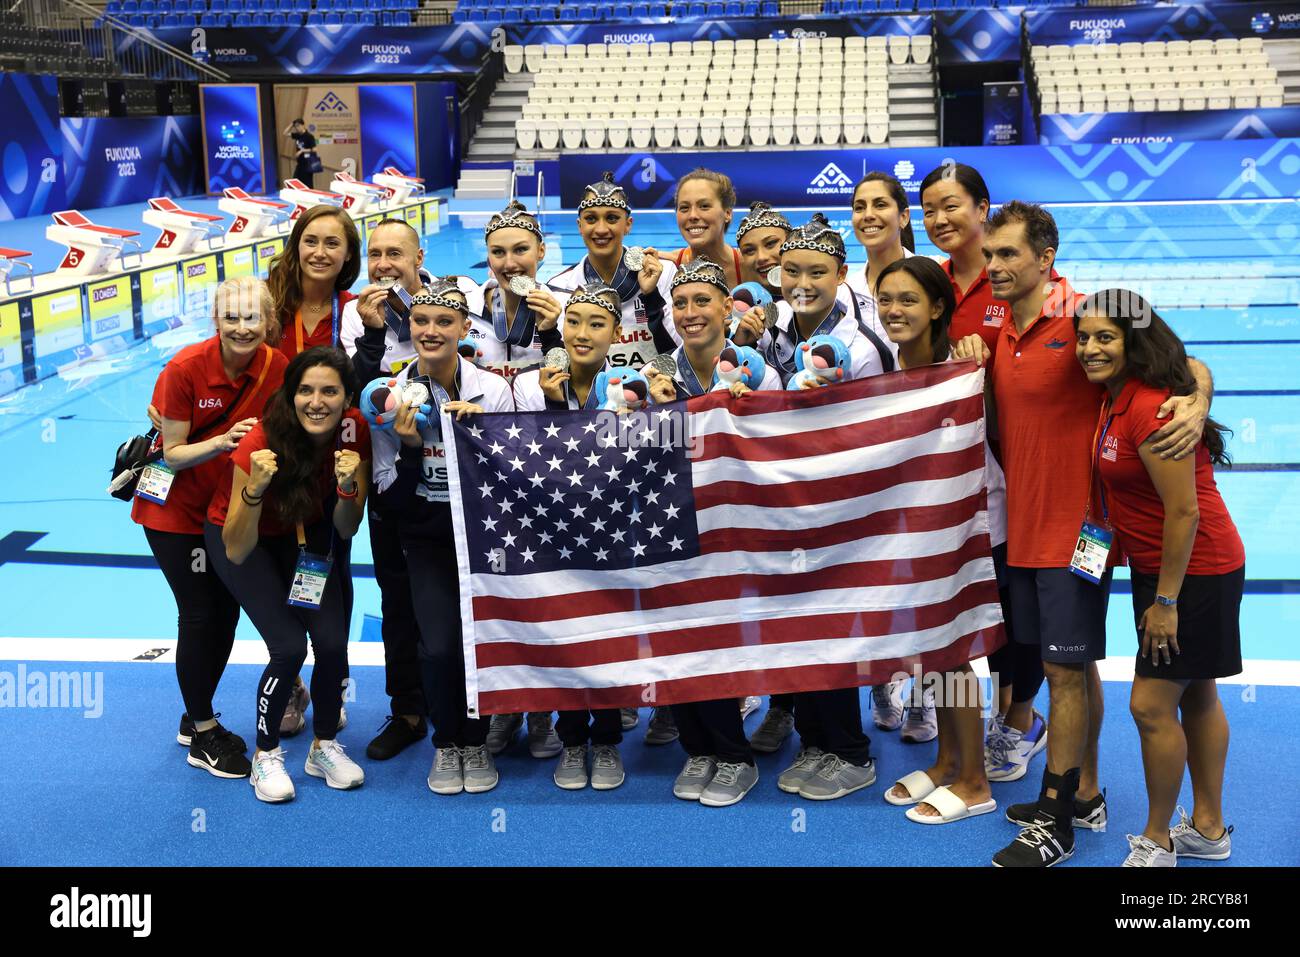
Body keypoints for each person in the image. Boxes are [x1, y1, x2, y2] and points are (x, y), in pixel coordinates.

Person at [954, 201, 1214, 867]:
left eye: (1010, 254)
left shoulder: (1082, 317)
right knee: (1071, 666)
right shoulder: (1001, 329)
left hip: (1079, 531)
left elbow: (1177, 361)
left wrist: (1200, 396)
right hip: (1025, 526)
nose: (997, 267)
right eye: (991, 255)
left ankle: (1056, 817)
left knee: (1062, 671)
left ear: (1046, 256)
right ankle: (1088, 793)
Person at [1073, 290, 1242, 867]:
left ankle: (1157, 839)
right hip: (1163, 567)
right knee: (1196, 689)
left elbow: (1185, 511)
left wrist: (1166, 600)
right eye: (1084, 337)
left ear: (1132, 341)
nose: (1089, 348)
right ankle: (1209, 829)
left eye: (1105, 337)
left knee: (1148, 705)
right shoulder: (1115, 397)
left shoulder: (1150, 406)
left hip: (1194, 570)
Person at [918, 161, 1048, 782]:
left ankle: (1020, 719)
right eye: (930, 209)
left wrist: (1196, 391)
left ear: (981, 207)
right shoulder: (928, 284)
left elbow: (1149, 347)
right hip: (954, 485)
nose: (940, 220)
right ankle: (963, 747)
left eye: (952, 206)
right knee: (958, 628)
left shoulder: (1041, 291)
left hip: (1023, 485)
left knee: (1018, 619)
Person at [133, 277, 287, 779]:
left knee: (225, 614)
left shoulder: (276, 366)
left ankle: (193, 712)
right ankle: (202, 732)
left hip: (226, 510)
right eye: (232, 317)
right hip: (175, 511)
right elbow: (172, 454)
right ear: (216, 321)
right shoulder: (184, 369)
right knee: (201, 613)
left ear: (268, 322)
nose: (243, 327)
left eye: (253, 317)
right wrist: (223, 441)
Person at [370, 279, 516, 796]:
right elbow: (386, 496)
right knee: (436, 648)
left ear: (464, 328)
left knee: (482, 642)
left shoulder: (493, 390)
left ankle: (477, 741)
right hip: (427, 536)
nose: (431, 331)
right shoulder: (388, 396)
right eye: (421, 321)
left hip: (483, 535)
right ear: (409, 327)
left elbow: (516, 478)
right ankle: (448, 742)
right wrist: (409, 448)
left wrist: (485, 437)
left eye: (444, 322)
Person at [205, 347, 370, 802]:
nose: (317, 402)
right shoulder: (260, 441)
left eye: (329, 392)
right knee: (289, 646)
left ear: (347, 397)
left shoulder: (355, 432)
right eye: (306, 391)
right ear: (290, 394)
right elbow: (236, 549)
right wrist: (255, 490)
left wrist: (349, 486)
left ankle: (324, 748)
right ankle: (266, 755)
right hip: (246, 535)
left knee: (333, 642)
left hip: (306, 537)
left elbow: (347, 526)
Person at [642, 259, 777, 807]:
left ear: (728, 308)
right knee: (679, 637)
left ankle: (735, 756)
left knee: (718, 641)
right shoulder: (654, 374)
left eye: (703, 302)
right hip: (674, 524)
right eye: (681, 304)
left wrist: (752, 414)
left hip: (738, 526)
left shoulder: (759, 371)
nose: (691, 313)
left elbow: (785, 439)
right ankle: (698, 748)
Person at [874, 256, 1003, 824]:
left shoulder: (965, 363)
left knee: (956, 650)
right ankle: (948, 760)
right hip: (914, 521)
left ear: (937, 309)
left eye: (907, 300)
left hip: (971, 516)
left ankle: (975, 780)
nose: (894, 311)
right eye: (885, 300)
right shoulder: (882, 367)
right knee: (932, 646)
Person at [513, 281, 631, 790]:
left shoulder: (631, 388)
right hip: (552, 535)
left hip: (612, 535)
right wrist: (551, 403)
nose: (583, 334)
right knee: (563, 636)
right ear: (561, 328)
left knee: (606, 641)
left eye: (597, 324)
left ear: (617, 333)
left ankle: (605, 741)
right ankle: (572, 738)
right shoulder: (528, 386)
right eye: (575, 322)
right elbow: (519, 457)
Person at [266, 203, 361, 734]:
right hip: (275, 463)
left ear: (348, 256)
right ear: (297, 245)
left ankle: (332, 681)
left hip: (329, 470)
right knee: (278, 574)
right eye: (311, 240)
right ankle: (293, 682)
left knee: (331, 573)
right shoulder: (269, 305)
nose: (320, 252)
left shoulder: (352, 311)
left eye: (333, 243)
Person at [339, 217, 431, 760]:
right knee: (397, 597)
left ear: (419, 257)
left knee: (456, 590)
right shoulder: (360, 314)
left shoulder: (458, 300)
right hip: (389, 481)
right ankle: (408, 710)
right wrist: (374, 334)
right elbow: (355, 391)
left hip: (455, 481)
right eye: (375, 253)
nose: (383, 263)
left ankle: (468, 701)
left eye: (395, 252)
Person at [548, 172, 675, 371]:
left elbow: (679, 348)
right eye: (591, 219)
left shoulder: (663, 273)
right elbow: (563, 363)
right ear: (579, 226)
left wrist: (652, 296)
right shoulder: (560, 287)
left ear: (628, 225)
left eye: (612, 218)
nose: (600, 229)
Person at [468, 200, 566, 385]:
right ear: (488, 258)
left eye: (521, 249)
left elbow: (574, 385)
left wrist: (550, 334)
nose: (510, 263)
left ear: (541, 251)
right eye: (498, 252)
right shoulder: (464, 312)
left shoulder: (568, 309)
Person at [666, 168, 744, 290]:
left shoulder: (748, 266)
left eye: (704, 206)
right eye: (684, 208)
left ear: (727, 213)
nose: (693, 216)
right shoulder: (668, 267)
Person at [844, 171, 915, 303]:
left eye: (880, 205)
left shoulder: (933, 274)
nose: (868, 215)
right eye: (859, 207)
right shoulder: (846, 291)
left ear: (903, 217)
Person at [735, 200, 792, 301]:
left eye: (770, 244)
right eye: (749, 250)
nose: (761, 257)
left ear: (791, 242)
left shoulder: (823, 298)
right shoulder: (739, 309)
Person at [283, 118, 319, 189]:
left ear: (303, 125)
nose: (297, 128)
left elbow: (314, 149)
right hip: (300, 163)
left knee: (308, 184)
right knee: (295, 181)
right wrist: (292, 124)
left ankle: (311, 197)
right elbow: (285, 133)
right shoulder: (297, 135)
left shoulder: (309, 136)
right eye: (296, 126)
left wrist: (302, 151)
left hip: (308, 163)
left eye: (298, 126)